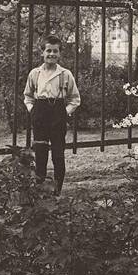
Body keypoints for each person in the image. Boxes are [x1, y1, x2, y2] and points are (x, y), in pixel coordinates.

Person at [23, 37, 81, 194]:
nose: (52, 54)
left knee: (58, 155)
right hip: (40, 115)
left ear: (60, 54)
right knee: (40, 155)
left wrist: (64, 113)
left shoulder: (65, 74)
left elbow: (75, 99)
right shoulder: (35, 74)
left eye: (55, 51)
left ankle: (57, 192)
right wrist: (32, 110)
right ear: (42, 52)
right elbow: (28, 96)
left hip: (58, 116)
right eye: (48, 50)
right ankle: (40, 191)